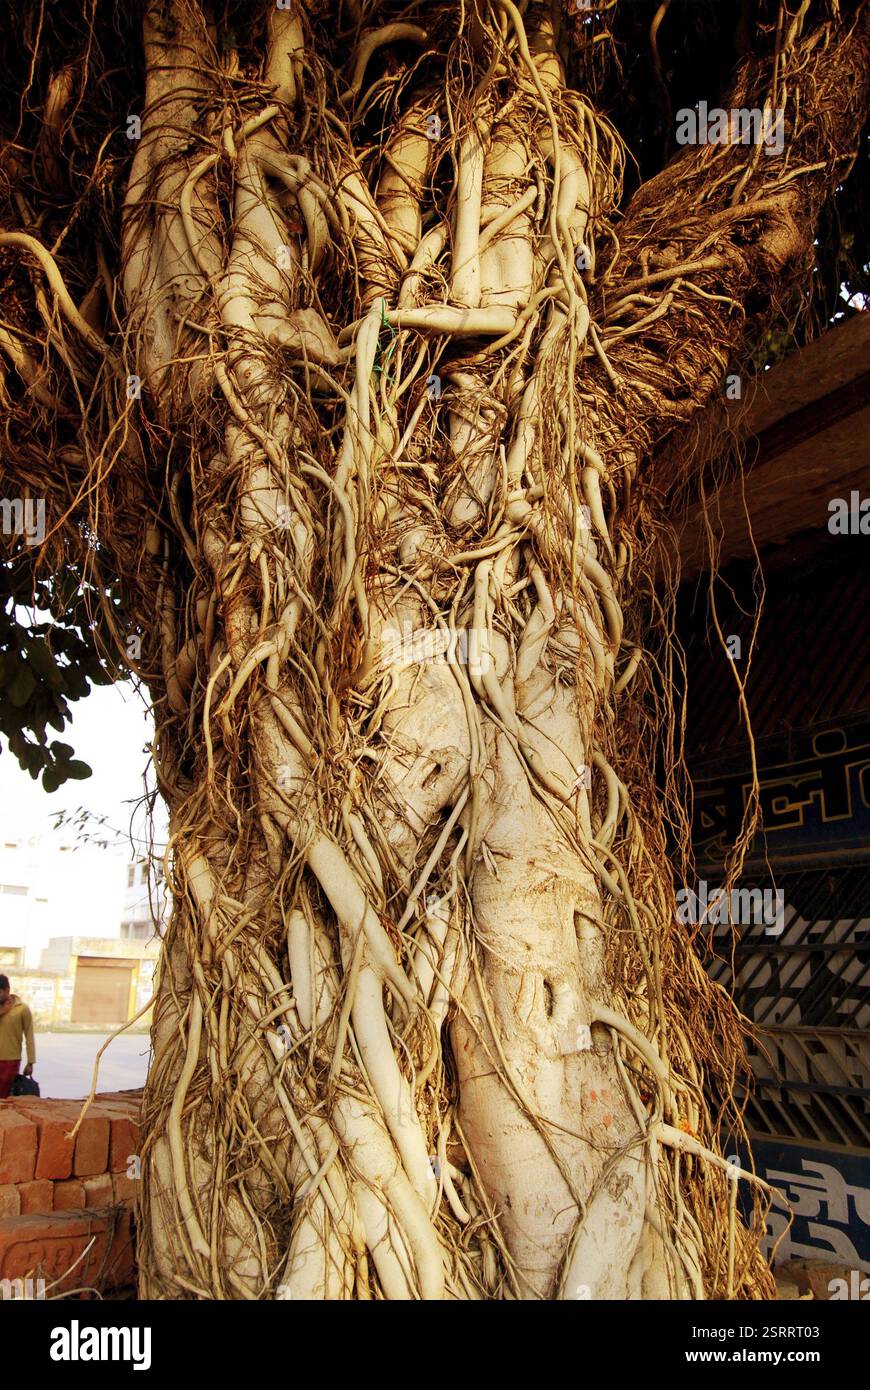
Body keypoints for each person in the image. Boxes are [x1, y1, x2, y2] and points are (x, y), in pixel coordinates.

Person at [0, 975, 35, 1099]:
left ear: (7, 990)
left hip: (10, 1060)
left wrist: (30, 1061)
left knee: (4, 1096)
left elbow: (29, 1035)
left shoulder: (22, 1009)